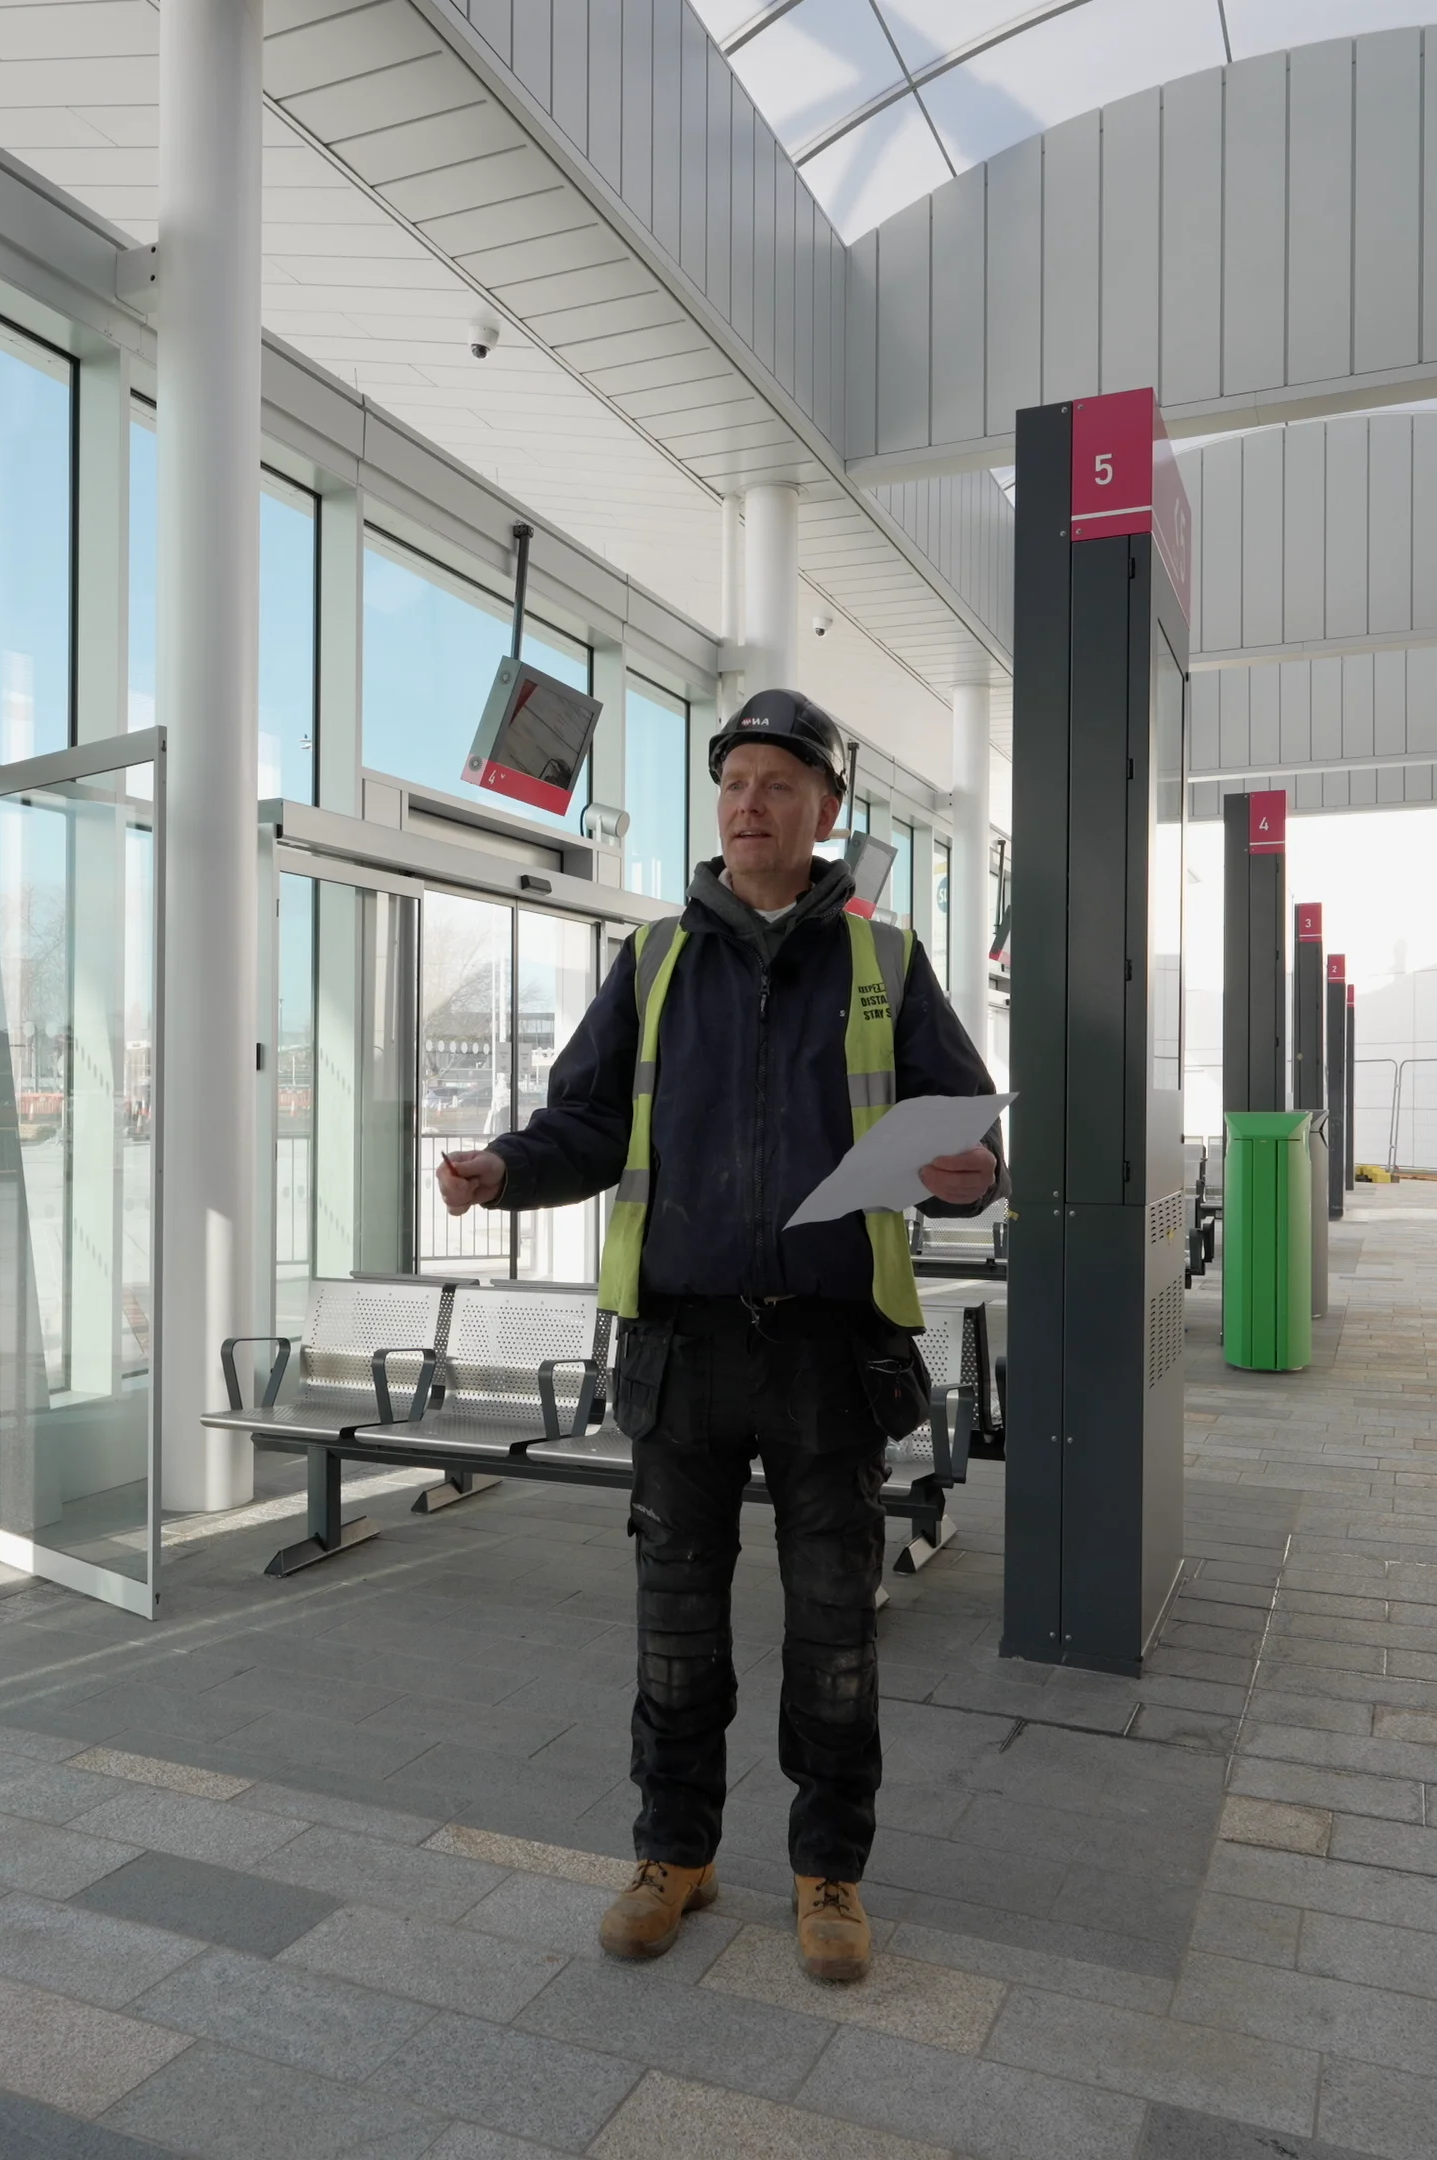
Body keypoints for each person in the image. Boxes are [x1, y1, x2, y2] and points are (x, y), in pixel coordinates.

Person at [436, 689, 999, 1987]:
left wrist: (973, 1170)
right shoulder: (653, 965)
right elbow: (579, 1125)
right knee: (675, 1624)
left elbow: (967, 1128)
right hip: (681, 1350)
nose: (750, 805)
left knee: (834, 1633)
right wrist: (503, 1170)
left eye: (779, 786)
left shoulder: (888, 965)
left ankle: (828, 1873)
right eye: (734, 783)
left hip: (828, 1352)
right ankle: (671, 1853)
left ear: (826, 813)